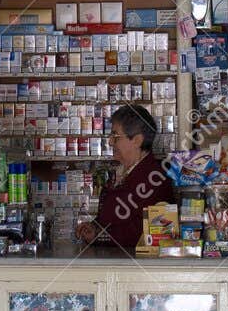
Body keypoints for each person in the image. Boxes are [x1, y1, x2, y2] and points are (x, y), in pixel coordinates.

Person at [75, 104, 175, 254]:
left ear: (137, 140)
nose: (109, 142)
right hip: (115, 261)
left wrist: (100, 236)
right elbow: (111, 217)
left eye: (115, 136)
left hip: (136, 268)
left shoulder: (155, 178)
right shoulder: (122, 172)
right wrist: (93, 227)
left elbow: (146, 233)